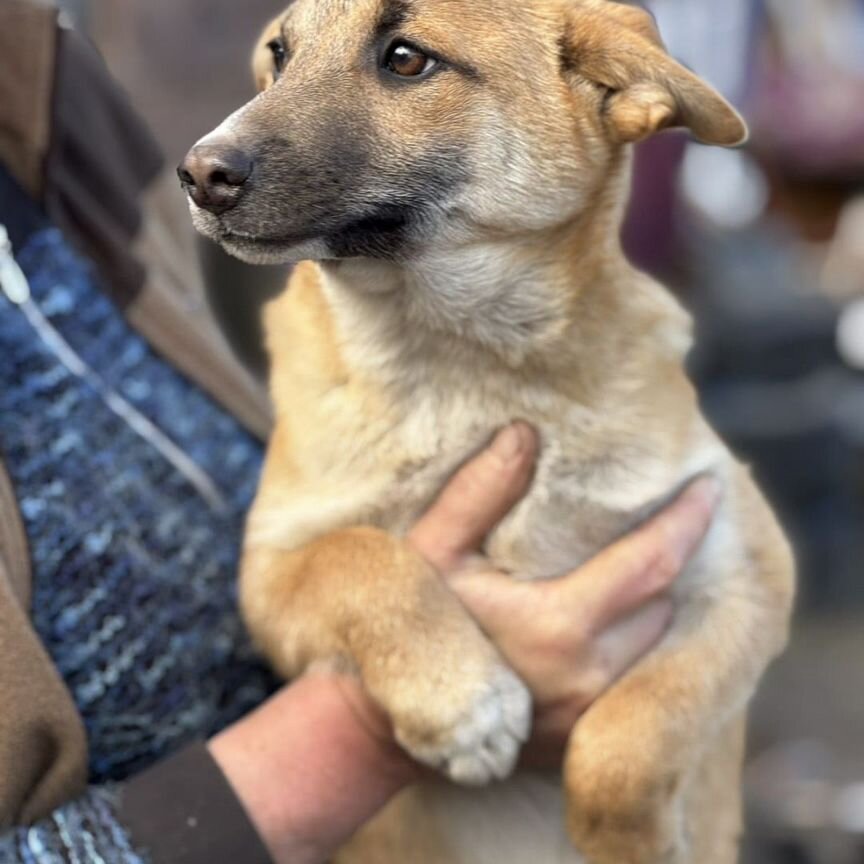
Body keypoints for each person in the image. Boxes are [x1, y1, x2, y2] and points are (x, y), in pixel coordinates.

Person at [0, 4, 719, 863]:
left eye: (403, 60)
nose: (213, 155)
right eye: (285, 54)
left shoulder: (42, 70)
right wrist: (363, 731)